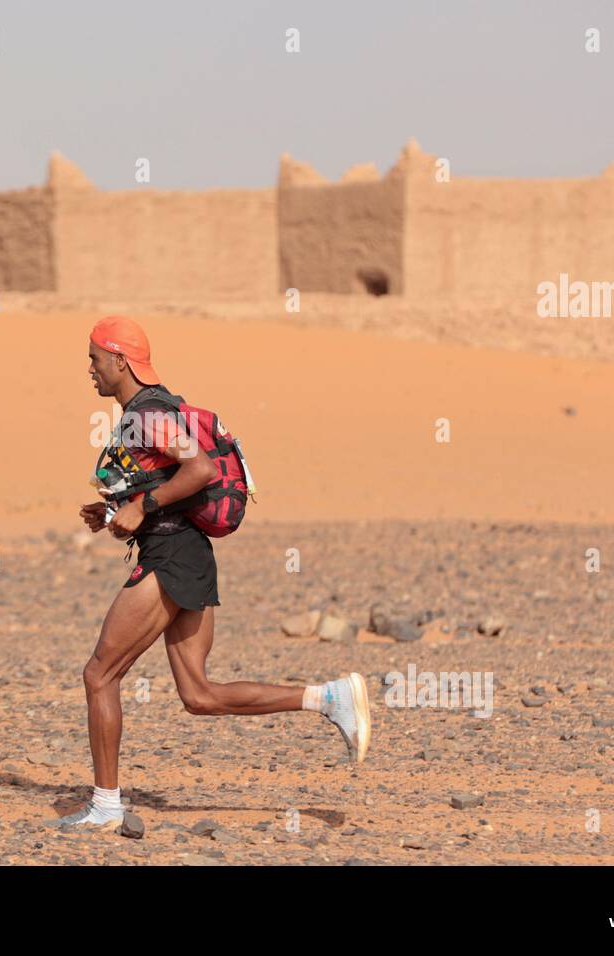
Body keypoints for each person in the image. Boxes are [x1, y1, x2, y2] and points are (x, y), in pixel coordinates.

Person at [47, 316, 371, 830]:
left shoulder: (147, 414)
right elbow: (166, 480)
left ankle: (106, 807)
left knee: (99, 674)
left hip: (172, 556)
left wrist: (144, 504)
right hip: (186, 552)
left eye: (94, 358)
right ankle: (327, 698)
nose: (89, 368)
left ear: (120, 360)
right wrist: (115, 511)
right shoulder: (153, 409)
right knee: (199, 694)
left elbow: (198, 469)